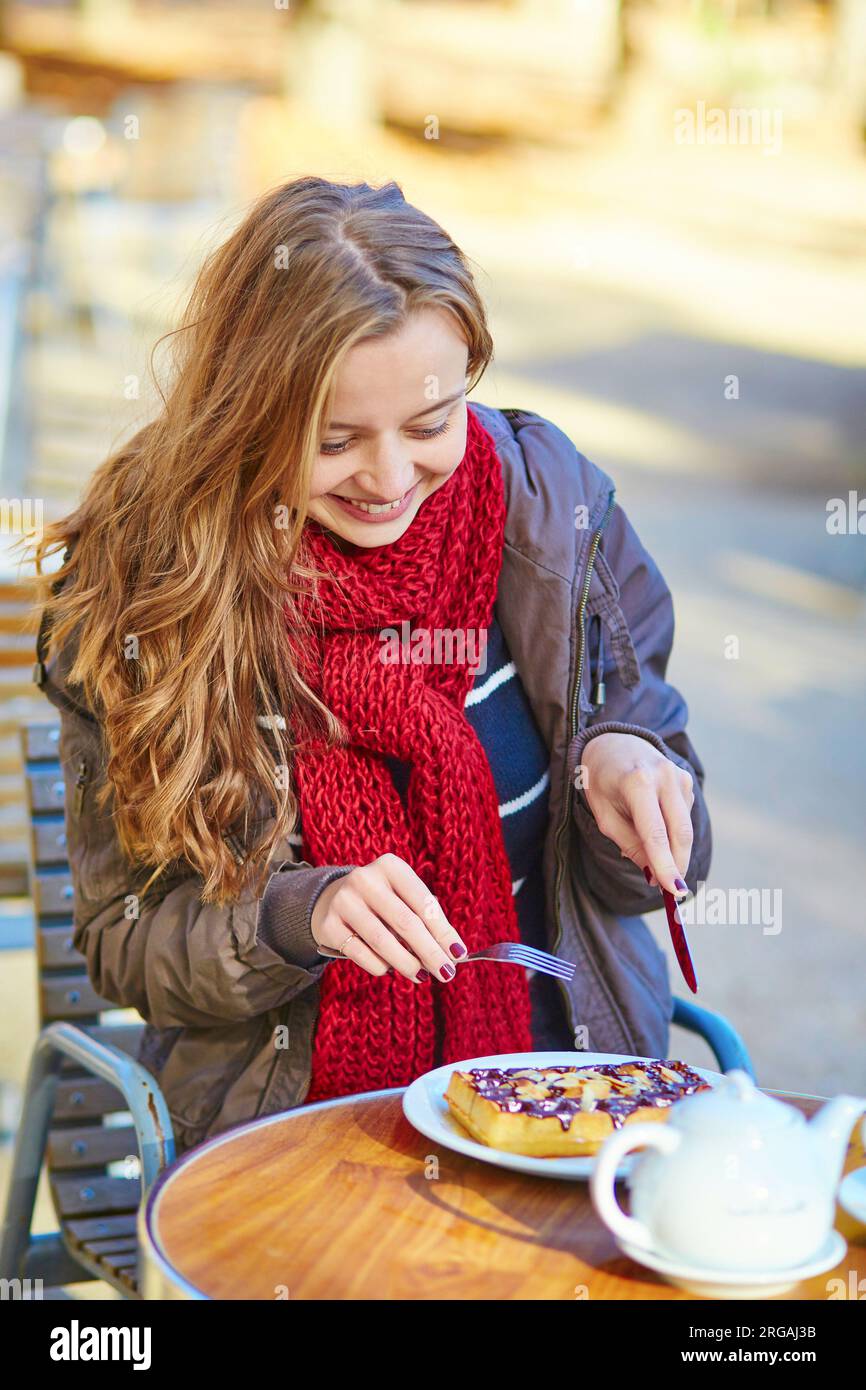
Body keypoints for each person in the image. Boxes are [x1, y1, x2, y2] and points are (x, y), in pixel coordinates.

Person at [27, 177, 710, 1155]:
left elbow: (649, 864)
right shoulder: (152, 587)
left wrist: (627, 766)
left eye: (430, 425)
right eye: (334, 441)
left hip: (568, 1097)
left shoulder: (550, 512)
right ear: (247, 414)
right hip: (291, 1135)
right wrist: (299, 915)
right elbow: (129, 939)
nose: (390, 481)